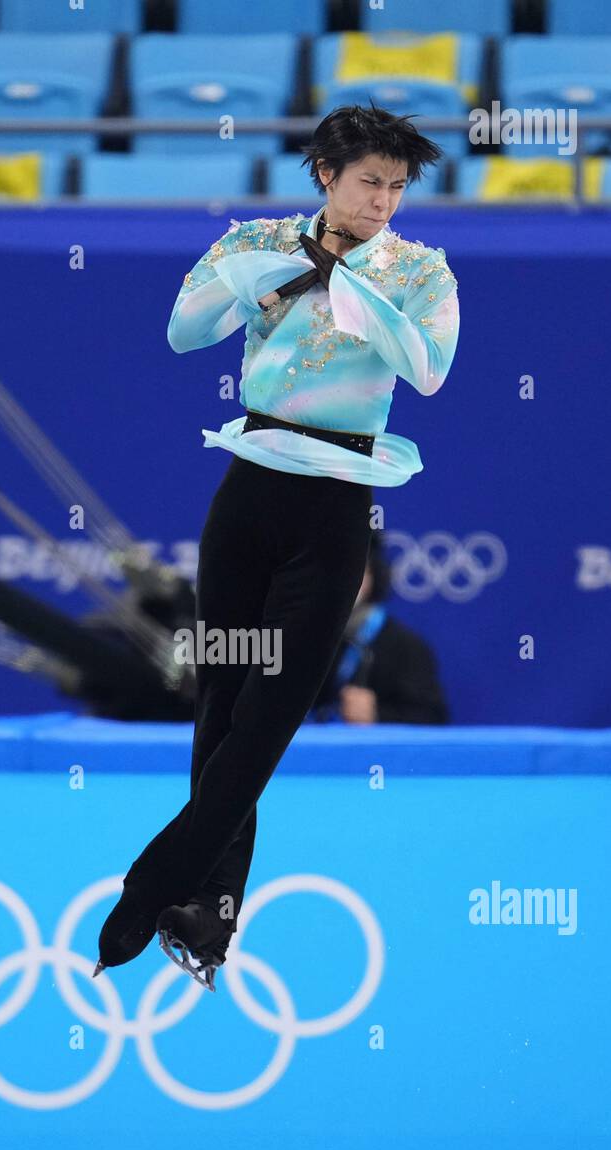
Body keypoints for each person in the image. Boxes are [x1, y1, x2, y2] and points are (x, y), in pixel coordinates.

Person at [95, 103, 460, 990]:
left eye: (397, 187)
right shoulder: (253, 239)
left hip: (336, 505)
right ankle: (209, 914)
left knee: (273, 710)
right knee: (221, 700)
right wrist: (256, 275)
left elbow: (427, 370)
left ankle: (155, 884)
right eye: (369, 182)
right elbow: (185, 334)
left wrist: (340, 272)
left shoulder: (418, 269)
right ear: (326, 176)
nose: (384, 201)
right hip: (248, 488)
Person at [306, 535, 450, 725]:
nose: (340, 582)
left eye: (355, 570)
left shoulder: (405, 647)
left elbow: (433, 719)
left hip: (368, 753)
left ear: (373, 577)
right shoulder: (291, 640)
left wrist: (378, 715)